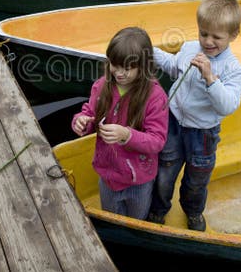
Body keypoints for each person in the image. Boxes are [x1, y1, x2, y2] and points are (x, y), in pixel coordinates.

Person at [147, 0, 241, 232]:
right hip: (173, 122)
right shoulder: (191, 47)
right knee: (165, 169)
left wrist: (211, 79)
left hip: (203, 133)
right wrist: (151, 51)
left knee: (197, 178)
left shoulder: (233, 68)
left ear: (233, 36)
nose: (208, 41)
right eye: (203, 33)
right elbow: (173, 67)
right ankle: (158, 209)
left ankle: (193, 211)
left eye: (216, 37)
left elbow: (228, 106)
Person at [71, 26, 169, 219]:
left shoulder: (155, 97)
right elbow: (89, 113)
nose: (119, 73)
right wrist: (81, 122)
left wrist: (127, 135)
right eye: (115, 65)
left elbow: (157, 140)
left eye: (128, 68)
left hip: (139, 179)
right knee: (112, 217)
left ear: (143, 66)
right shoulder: (101, 86)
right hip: (108, 174)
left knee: (136, 219)